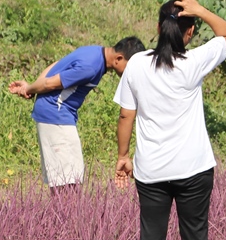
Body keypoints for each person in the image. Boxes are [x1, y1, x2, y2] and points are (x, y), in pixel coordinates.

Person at [113, 0, 226, 240]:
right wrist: (199, 9)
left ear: (157, 29)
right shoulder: (194, 61)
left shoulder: (137, 64)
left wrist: (123, 156)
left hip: (151, 170)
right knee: (195, 237)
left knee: (151, 238)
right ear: (191, 30)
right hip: (194, 169)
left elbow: (127, 114)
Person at [8, 38, 145, 192]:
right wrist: (30, 89)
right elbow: (49, 83)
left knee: (70, 177)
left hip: (57, 115)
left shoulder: (94, 51)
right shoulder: (91, 67)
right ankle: (64, 216)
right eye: (131, 67)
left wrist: (31, 86)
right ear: (119, 58)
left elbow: (57, 65)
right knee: (67, 183)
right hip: (56, 115)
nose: (131, 72)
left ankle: (66, 215)